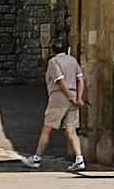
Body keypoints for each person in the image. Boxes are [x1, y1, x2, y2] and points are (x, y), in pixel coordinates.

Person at [23, 35, 85, 171]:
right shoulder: (73, 61)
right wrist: (78, 97)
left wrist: (69, 96)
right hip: (74, 97)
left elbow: (60, 80)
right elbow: (80, 79)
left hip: (59, 98)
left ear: (52, 49)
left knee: (47, 129)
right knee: (71, 130)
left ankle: (36, 159)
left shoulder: (53, 62)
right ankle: (79, 158)